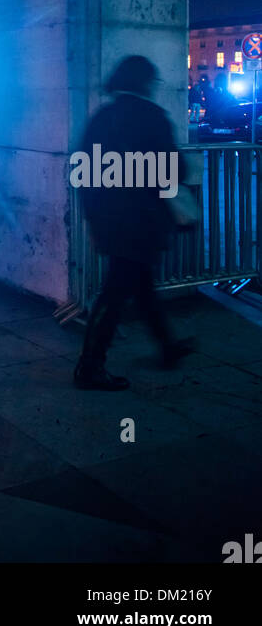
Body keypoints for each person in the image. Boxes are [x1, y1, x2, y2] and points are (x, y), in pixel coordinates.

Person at [74, 55, 194, 391]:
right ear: (144, 82)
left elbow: (85, 169)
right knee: (116, 293)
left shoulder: (102, 118)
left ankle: (168, 346)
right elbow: (175, 170)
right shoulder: (151, 118)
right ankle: (90, 365)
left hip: (110, 219)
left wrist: (96, 216)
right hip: (140, 221)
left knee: (139, 285)